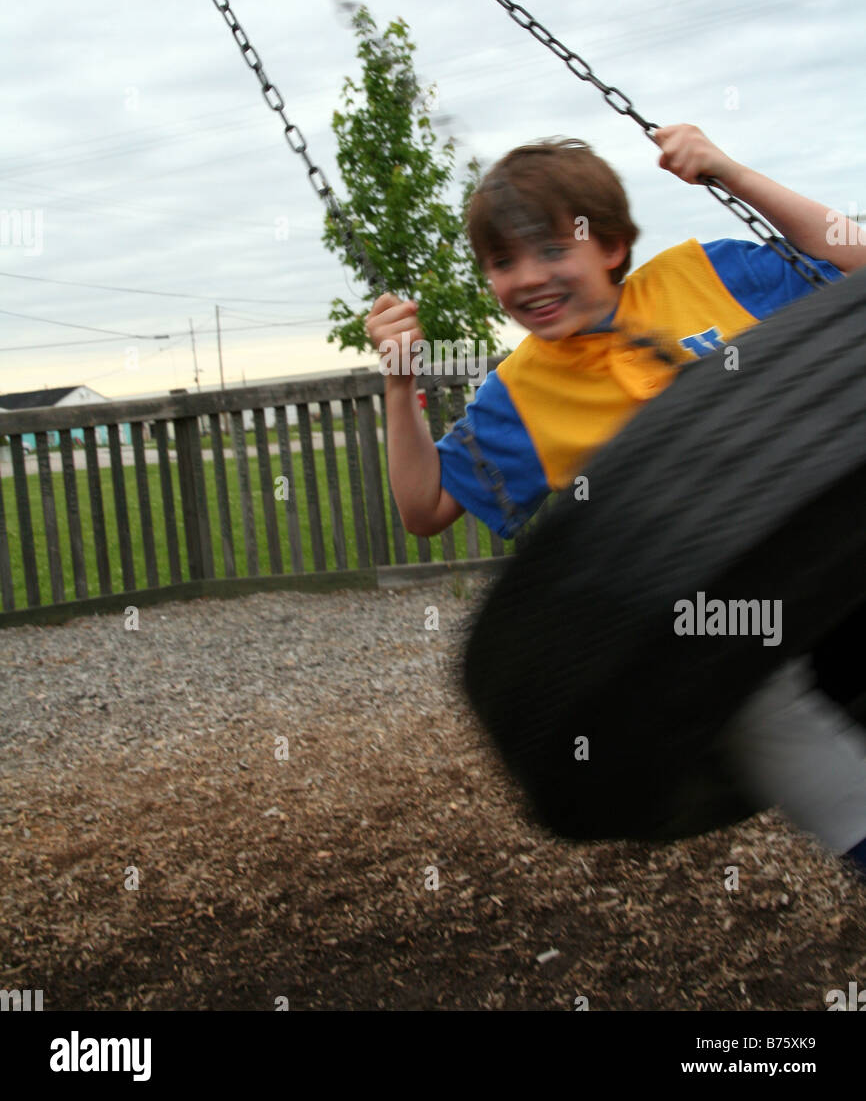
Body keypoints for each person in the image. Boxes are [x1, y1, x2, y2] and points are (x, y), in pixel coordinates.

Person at [365, 123, 866, 877]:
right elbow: (424, 508)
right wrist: (399, 385)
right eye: (502, 262)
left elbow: (852, 263)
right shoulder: (520, 395)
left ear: (610, 246)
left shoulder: (705, 273)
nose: (527, 277)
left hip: (830, 541)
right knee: (763, 709)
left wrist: (731, 172)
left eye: (552, 249)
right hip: (713, 608)